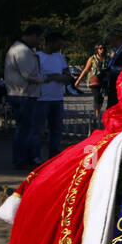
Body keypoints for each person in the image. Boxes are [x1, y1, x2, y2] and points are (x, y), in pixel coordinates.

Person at [5, 25, 48, 169]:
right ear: (33, 35)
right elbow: (30, 75)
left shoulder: (18, 49)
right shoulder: (22, 51)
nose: (39, 42)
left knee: (24, 129)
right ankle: (21, 160)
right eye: (39, 38)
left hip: (19, 93)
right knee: (25, 129)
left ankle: (24, 158)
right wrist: (46, 78)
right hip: (24, 94)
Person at [36, 31, 73, 160]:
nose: (60, 47)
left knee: (56, 128)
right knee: (39, 129)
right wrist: (49, 77)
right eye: (59, 44)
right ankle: (35, 155)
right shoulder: (38, 57)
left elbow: (68, 77)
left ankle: (54, 154)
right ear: (50, 43)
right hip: (41, 98)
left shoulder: (59, 58)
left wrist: (60, 78)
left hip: (57, 97)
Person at [74, 44, 110, 118]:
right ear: (97, 49)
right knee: (97, 97)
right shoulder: (92, 58)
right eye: (100, 48)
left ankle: (97, 113)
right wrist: (78, 80)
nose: (102, 49)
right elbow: (86, 70)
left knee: (101, 98)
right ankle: (97, 115)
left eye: (103, 48)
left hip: (104, 81)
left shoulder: (107, 59)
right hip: (94, 81)